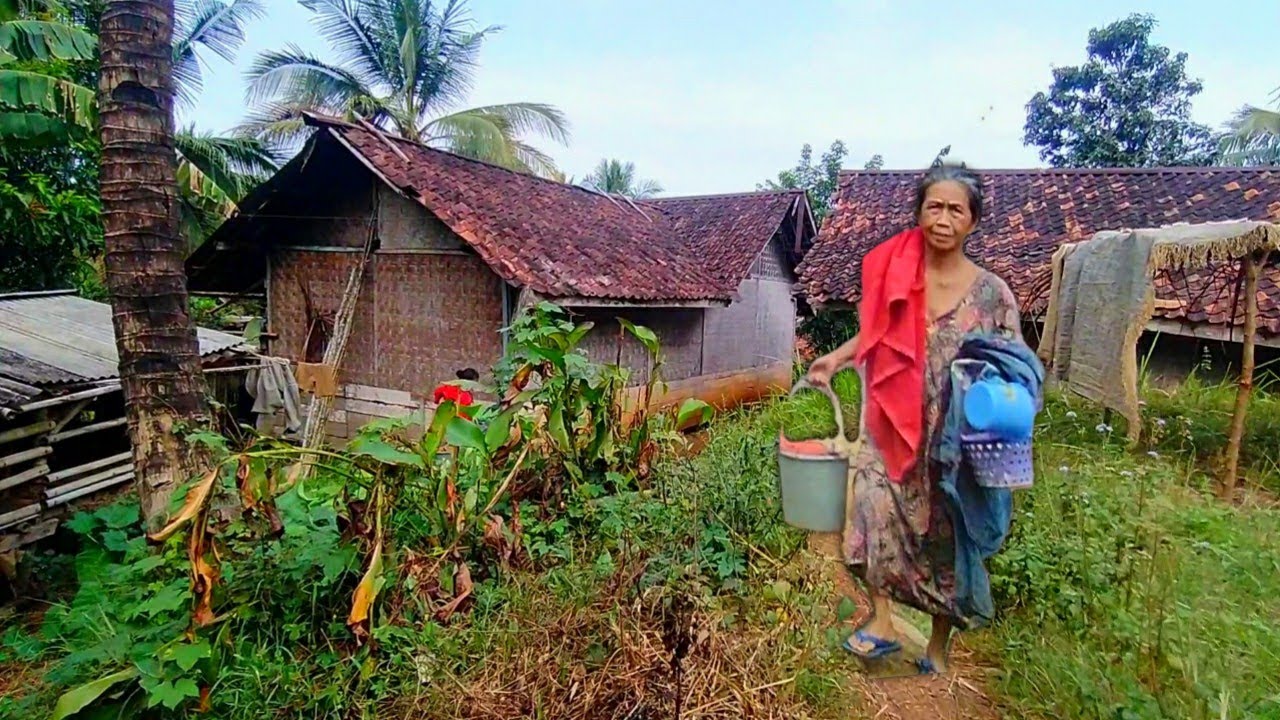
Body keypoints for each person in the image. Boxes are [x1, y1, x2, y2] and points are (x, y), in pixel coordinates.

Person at [806, 164, 1023, 675]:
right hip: (892, 418)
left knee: (944, 535)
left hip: (955, 436)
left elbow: (1015, 366)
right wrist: (836, 358)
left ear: (972, 221)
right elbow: (877, 332)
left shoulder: (994, 293)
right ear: (919, 213)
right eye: (934, 206)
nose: (943, 218)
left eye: (955, 209)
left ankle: (937, 644)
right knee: (869, 503)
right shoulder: (901, 277)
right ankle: (881, 620)